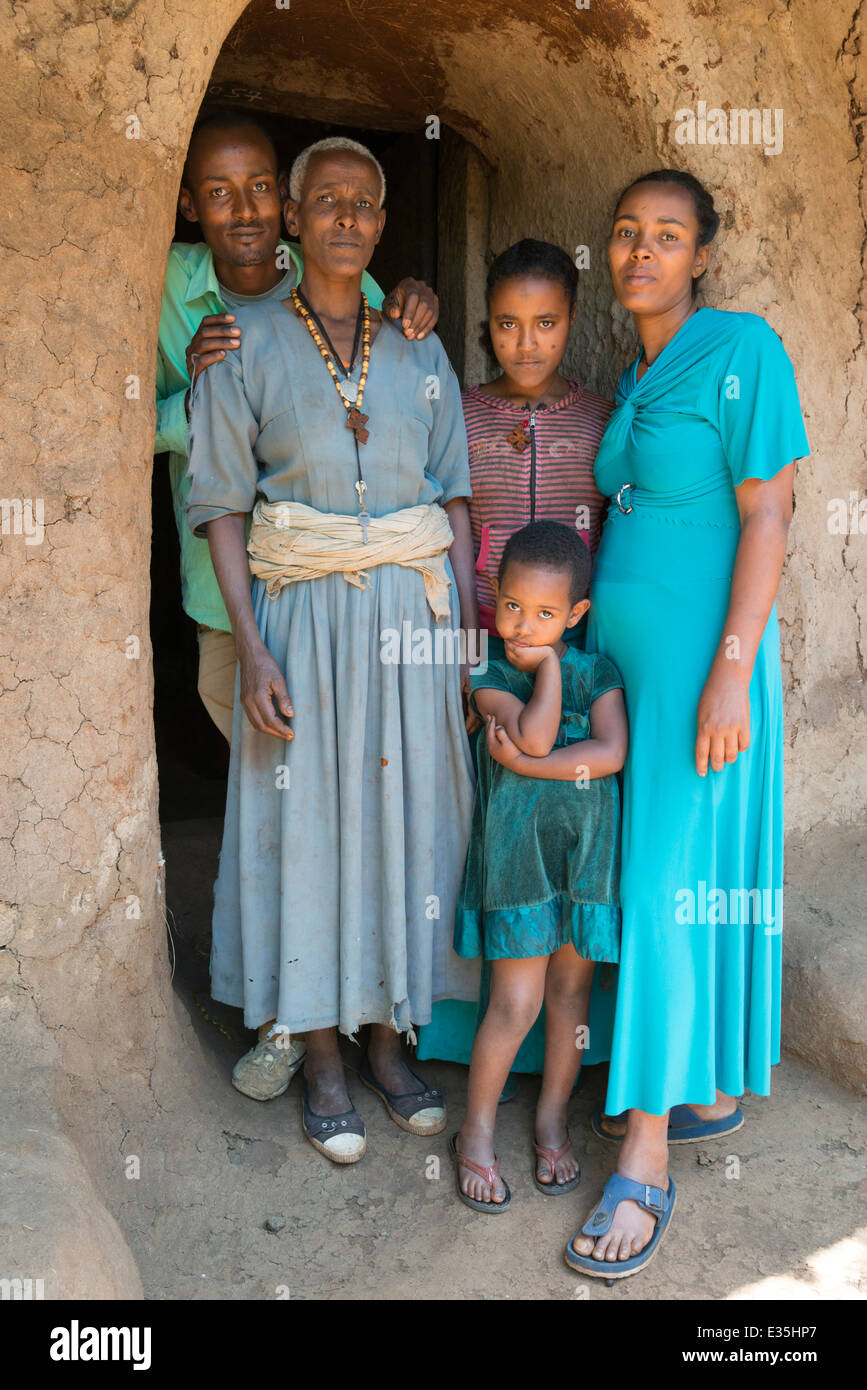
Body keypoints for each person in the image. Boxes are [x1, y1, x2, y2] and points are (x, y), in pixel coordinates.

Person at [185, 137, 481, 1165]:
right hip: (300, 619)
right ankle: (317, 1048)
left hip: (409, 621)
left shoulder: (419, 343)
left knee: (405, 823)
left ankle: (393, 1042)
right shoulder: (242, 341)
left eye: (364, 202)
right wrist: (254, 647)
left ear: (380, 221)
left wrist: (464, 637)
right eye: (326, 201)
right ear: (296, 220)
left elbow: (452, 491)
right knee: (303, 824)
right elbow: (222, 505)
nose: (346, 217)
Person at [565, 169, 809, 1280]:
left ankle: (648, 1157)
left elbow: (770, 513)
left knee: (665, 886)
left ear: (702, 252)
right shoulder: (638, 374)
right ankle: (703, 1087)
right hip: (631, 668)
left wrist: (730, 670)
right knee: (649, 880)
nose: (642, 251)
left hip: (702, 672)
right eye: (626, 234)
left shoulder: (743, 348)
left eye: (667, 235)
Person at [417, 239, 615, 1078]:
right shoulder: (456, 413)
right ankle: (461, 1035)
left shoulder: (600, 419)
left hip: (572, 670)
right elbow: (447, 534)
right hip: (484, 663)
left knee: (567, 840)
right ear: (484, 327)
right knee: (477, 835)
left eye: (545, 323)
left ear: (571, 322)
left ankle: (563, 1061)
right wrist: (466, 657)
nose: (525, 342)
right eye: (505, 324)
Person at [449, 522, 627, 1210]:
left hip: (586, 868)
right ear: (494, 596)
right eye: (515, 606)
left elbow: (610, 753)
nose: (525, 625)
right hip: (520, 867)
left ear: (576, 615)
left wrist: (527, 766)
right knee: (516, 1002)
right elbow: (534, 729)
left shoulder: (601, 670)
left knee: (568, 1000)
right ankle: (477, 1132)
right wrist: (547, 671)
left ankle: (551, 1118)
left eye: (547, 615)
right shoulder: (488, 671)